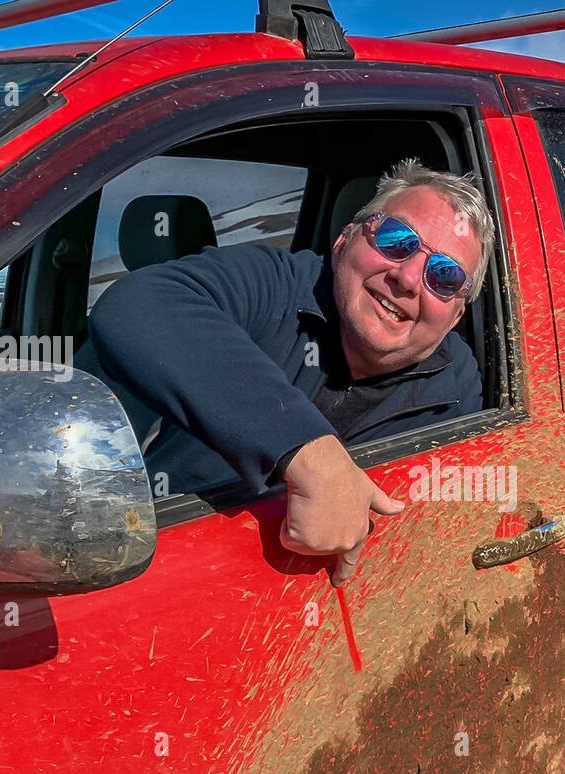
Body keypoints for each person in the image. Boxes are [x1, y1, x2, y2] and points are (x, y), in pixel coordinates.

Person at [85, 159, 494, 586]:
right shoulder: (273, 287)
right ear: (342, 244)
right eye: (396, 239)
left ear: (454, 316)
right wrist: (305, 450)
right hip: (156, 572)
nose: (408, 277)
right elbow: (140, 304)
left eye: (444, 275)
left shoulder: (458, 388)